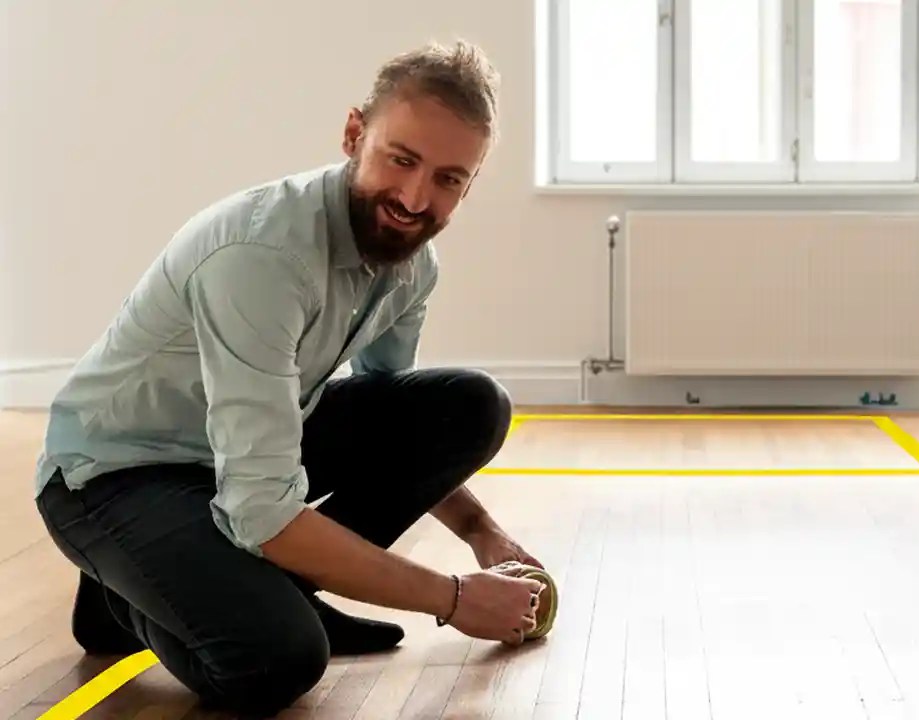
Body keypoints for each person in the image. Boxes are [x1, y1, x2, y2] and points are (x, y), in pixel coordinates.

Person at [32, 40, 546, 717]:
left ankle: (227, 588)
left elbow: (388, 423)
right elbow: (265, 512)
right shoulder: (262, 257)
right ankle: (138, 591)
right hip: (114, 475)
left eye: (449, 178)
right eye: (402, 159)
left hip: (229, 460)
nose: (416, 198)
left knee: (467, 407)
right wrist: (454, 597)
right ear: (354, 134)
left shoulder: (411, 265)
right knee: (276, 660)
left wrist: (481, 531)